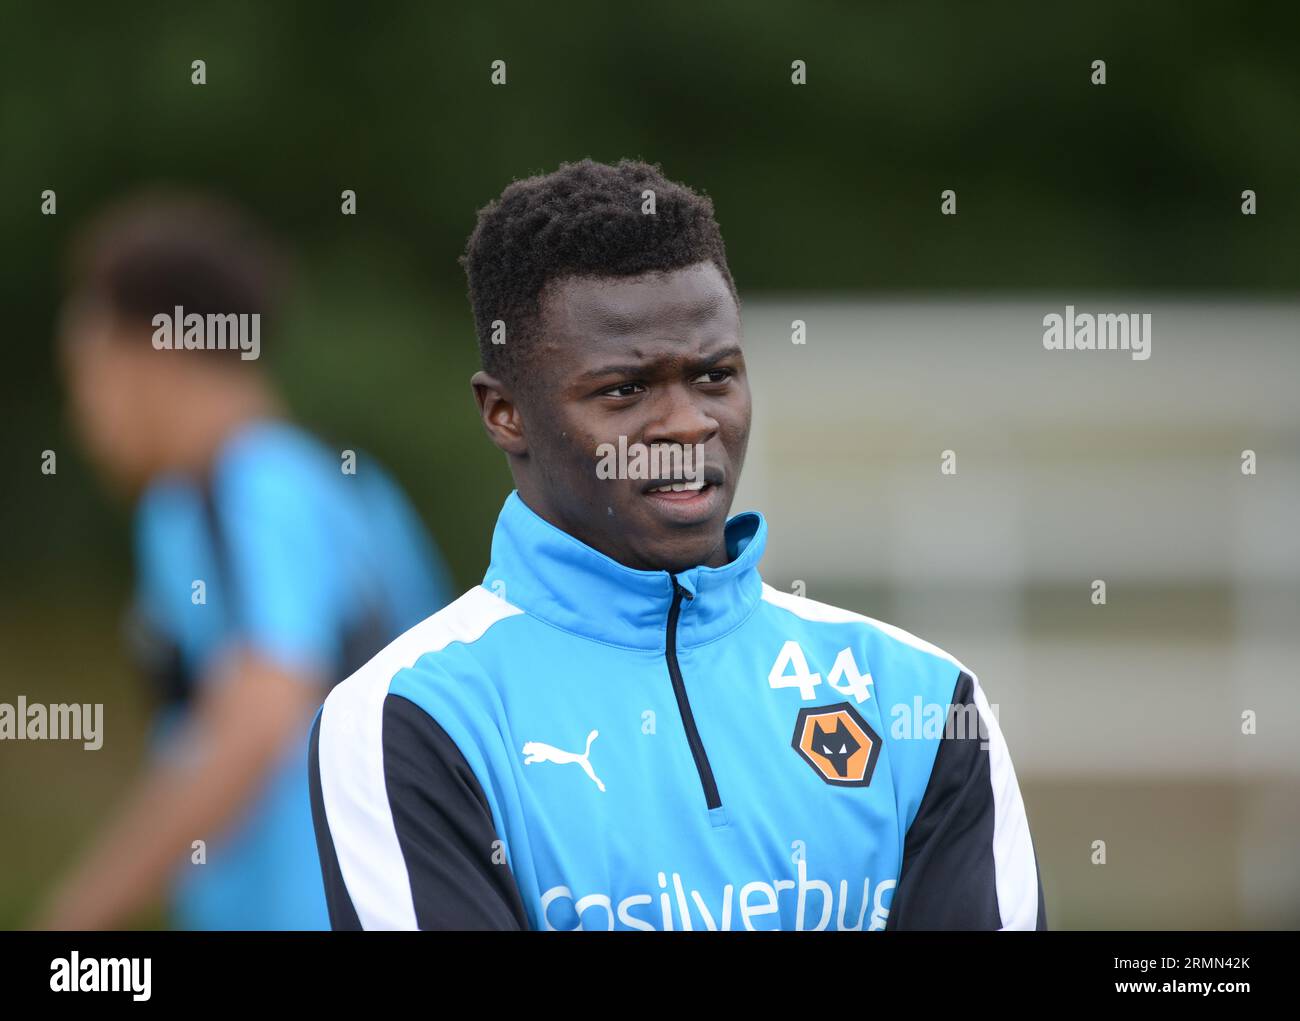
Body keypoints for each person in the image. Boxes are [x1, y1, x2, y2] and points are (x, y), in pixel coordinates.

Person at [309, 159, 1047, 930]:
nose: (689, 424)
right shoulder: (414, 716)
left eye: (714, 375)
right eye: (624, 390)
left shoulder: (920, 699)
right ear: (505, 414)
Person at [39, 192, 453, 930]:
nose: (82, 412)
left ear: (146, 353)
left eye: (86, 371)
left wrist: (76, 918)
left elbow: (262, 707)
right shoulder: (333, 489)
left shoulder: (258, 487)